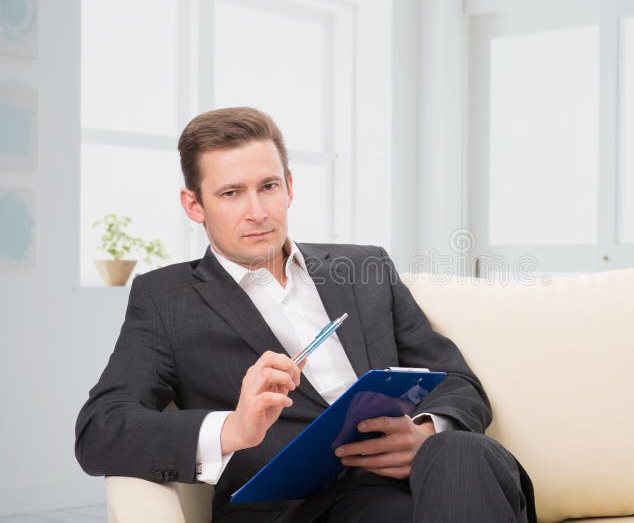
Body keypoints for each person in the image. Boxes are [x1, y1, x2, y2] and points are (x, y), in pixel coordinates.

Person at [75, 107, 536, 523]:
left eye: (268, 187)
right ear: (194, 205)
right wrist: (233, 428)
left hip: (425, 483)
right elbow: (100, 429)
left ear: (290, 187)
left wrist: (425, 431)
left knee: (460, 450)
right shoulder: (166, 298)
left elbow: (457, 381)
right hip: (301, 509)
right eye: (231, 193)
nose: (257, 212)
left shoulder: (364, 268)